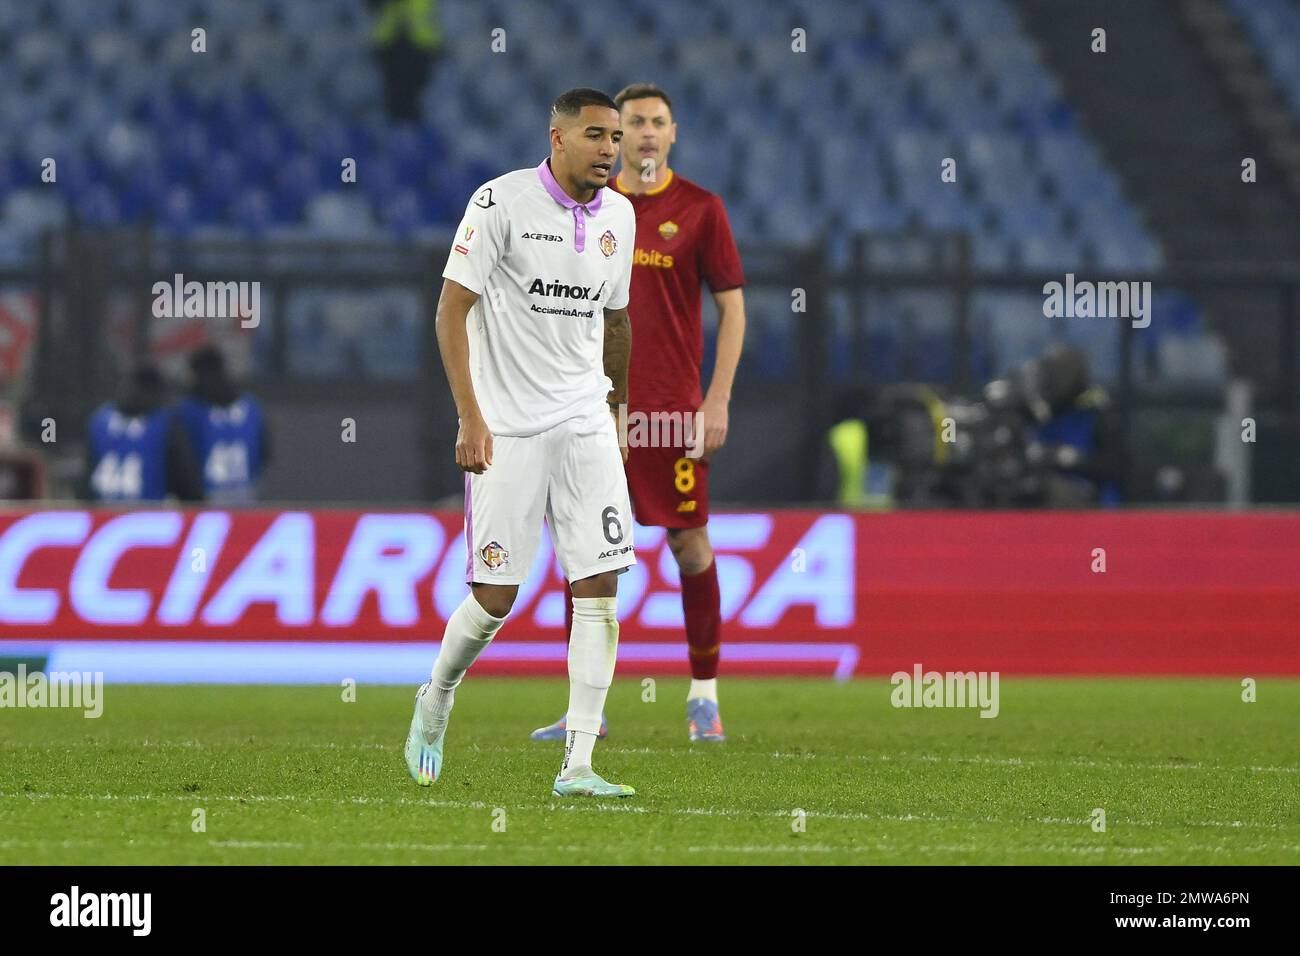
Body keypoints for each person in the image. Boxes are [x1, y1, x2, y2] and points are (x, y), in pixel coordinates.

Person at [404, 88, 638, 797]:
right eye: (596, 135)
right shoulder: (498, 203)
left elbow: (619, 323)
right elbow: (451, 309)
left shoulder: (621, 217)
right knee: (496, 595)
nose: (609, 149)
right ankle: (438, 694)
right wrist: (470, 417)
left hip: (585, 420)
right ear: (557, 138)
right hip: (507, 425)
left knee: (600, 582)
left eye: (616, 137)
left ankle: (579, 763)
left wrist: (619, 414)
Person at [530, 83, 746, 744]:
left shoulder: (701, 210)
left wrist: (717, 398)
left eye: (657, 122)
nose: (646, 134)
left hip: (672, 415)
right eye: (632, 125)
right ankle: (582, 712)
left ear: (673, 133)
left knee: (689, 545)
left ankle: (704, 696)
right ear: (615, 137)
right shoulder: (590, 208)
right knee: (586, 557)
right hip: (595, 409)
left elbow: (732, 307)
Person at [85, 364, 204, 503]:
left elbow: (86, 478)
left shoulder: (99, 420)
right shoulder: (164, 423)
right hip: (149, 516)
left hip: (103, 515)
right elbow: (185, 480)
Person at [175, 346, 270, 504]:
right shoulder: (251, 407)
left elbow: (182, 463)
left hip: (205, 500)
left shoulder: (188, 411)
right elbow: (265, 452)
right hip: (246, 496)